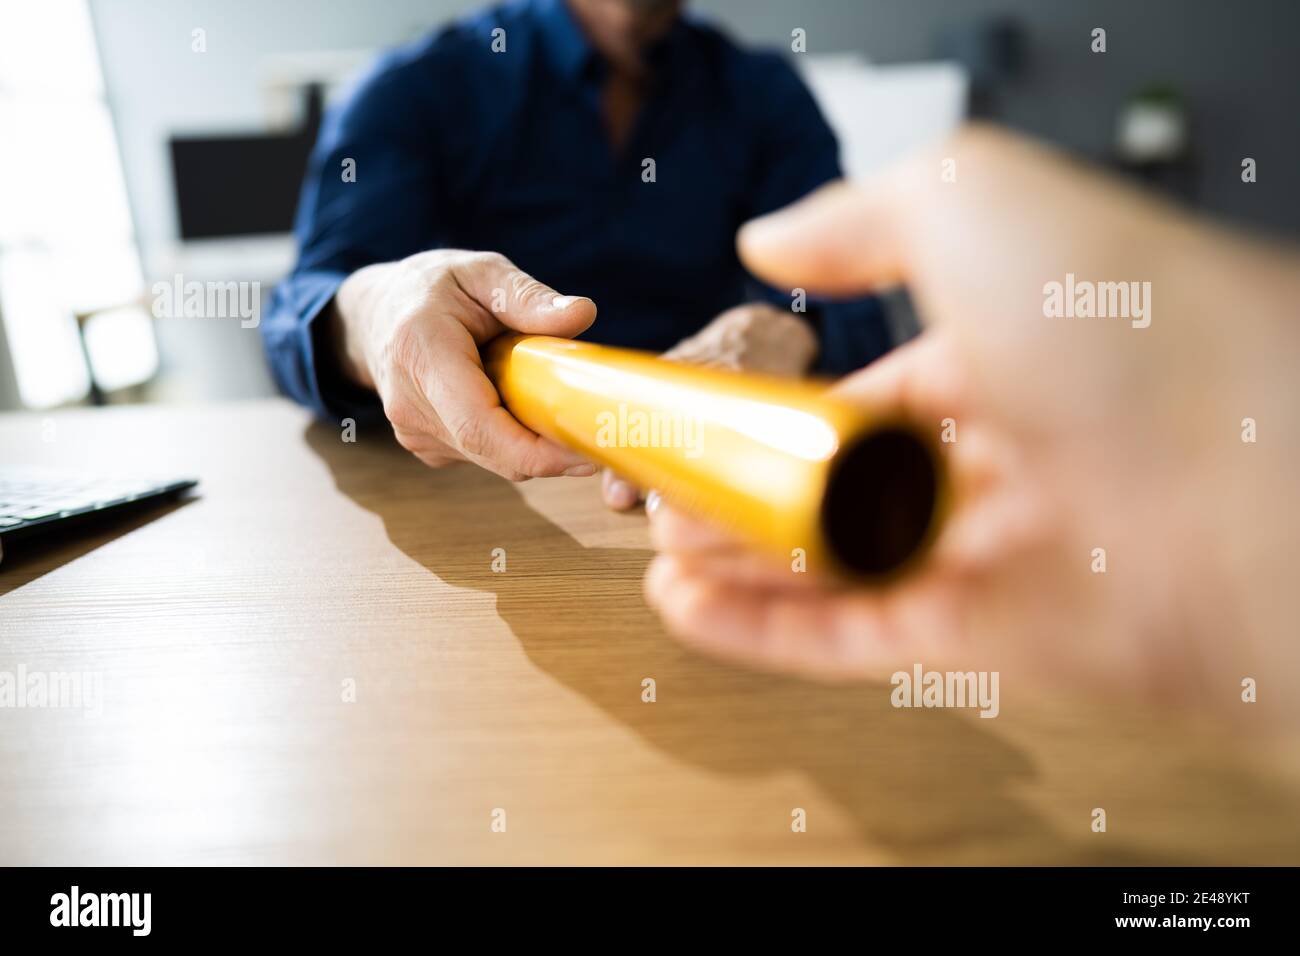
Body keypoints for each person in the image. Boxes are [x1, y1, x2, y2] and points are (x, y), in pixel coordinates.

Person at [644, 125, 1300, 727]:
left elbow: (852, 317)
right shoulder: (533, 73)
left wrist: (786, 327)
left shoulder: (763, 94)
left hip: (795, 475)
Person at [262, 0, 889, 508]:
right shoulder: (414, 88)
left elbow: (857, 305)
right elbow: (302, 308)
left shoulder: (762, 93)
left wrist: (789, 329)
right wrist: (376, 312)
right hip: (472, 504)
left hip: (703, 490)